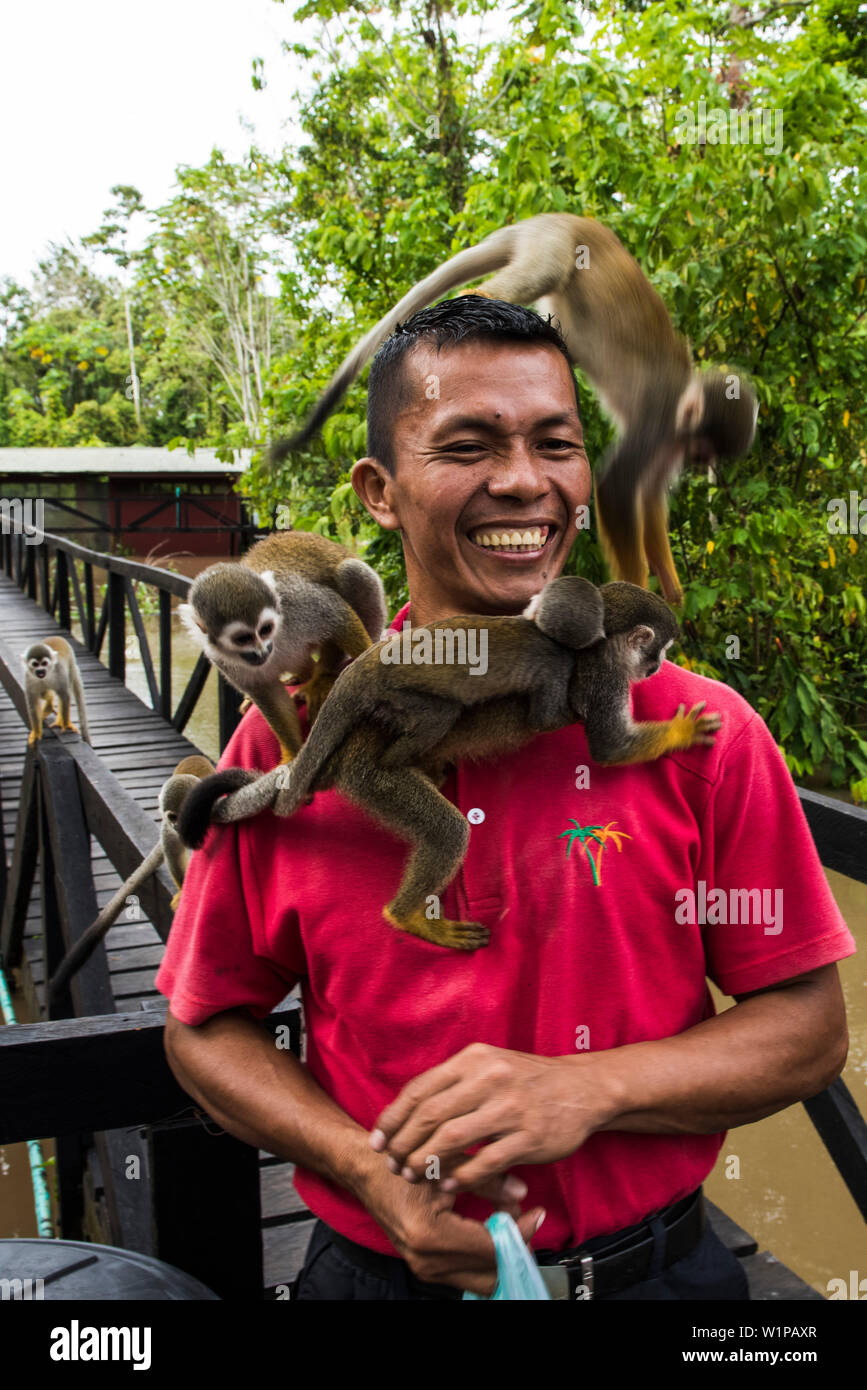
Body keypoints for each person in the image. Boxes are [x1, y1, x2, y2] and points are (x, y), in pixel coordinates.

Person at [156, 296, 855, 1301]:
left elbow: (808, 1027)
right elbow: (205, 1028)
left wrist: (590, 1088)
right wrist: (366, 1168)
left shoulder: (704, 731)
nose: (525, 481)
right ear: (381, 492)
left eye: (556, 444)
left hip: (654, 1277)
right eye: (469, 445)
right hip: (378, 1276)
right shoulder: (302, 736)